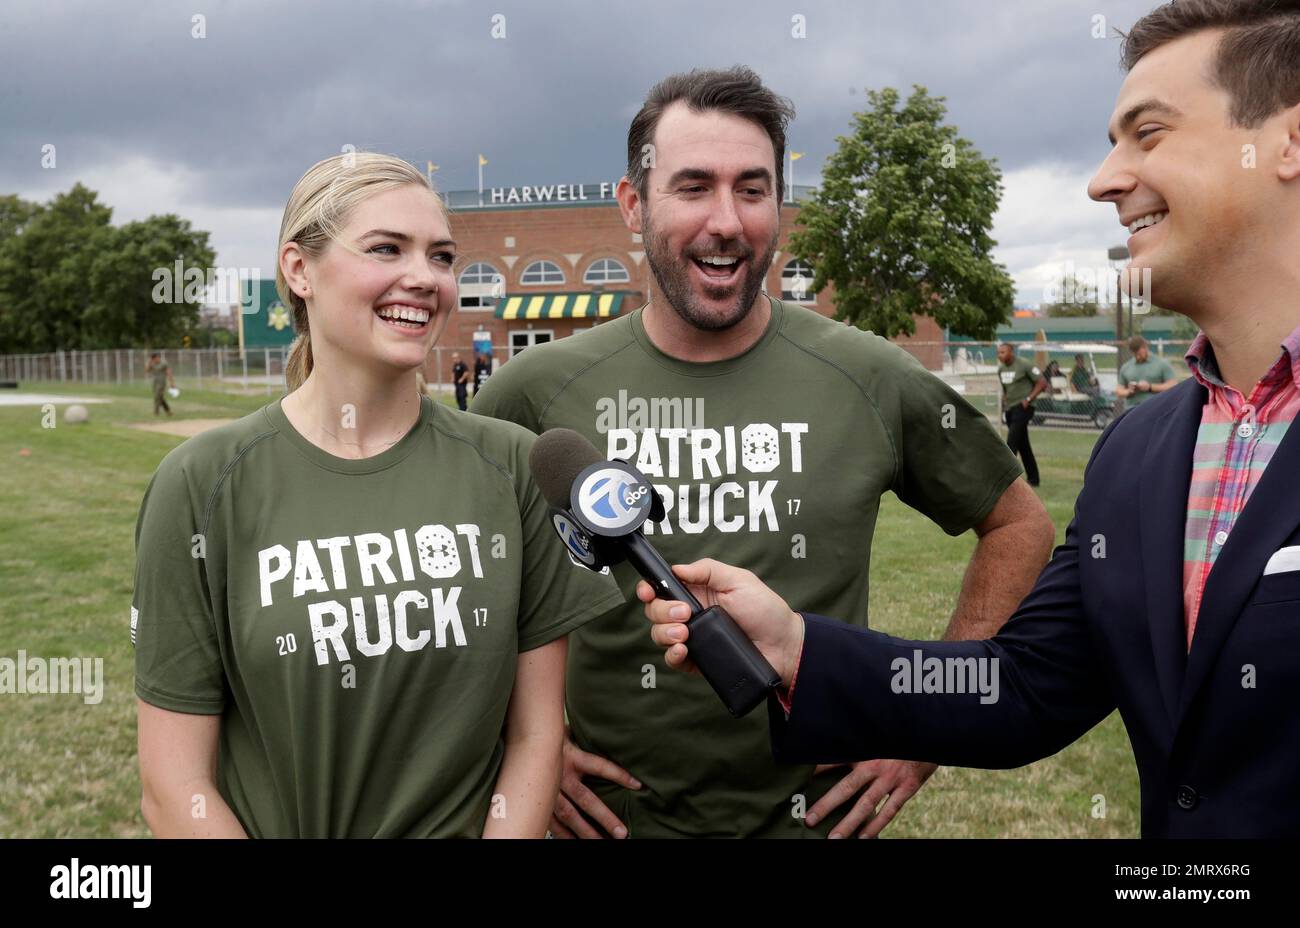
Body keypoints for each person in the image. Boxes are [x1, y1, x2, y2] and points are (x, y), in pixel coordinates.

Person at [642, 0, 1300, 838]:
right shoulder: (1140, 451)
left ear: (1289, 143)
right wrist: (798, 648)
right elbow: (1021, 690)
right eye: (1109, 142)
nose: (1104, 179)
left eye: (1150, 133)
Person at [474, 66, 1055, 839]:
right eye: (693, 187)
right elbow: (458, 580)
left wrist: (927, 725)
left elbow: (1020, 527)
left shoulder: (871, 375)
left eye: (753, 189)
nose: (727, 220)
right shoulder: (532, 392)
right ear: (632, 204)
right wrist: (522, 749)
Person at [131, 153, 623, 838]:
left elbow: (535, 738)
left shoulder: (513, 467)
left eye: (442, 257)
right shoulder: (200, 484)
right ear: (299, 270)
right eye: (386, 249)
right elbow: (173, 785)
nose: (423, 278)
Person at [996, 343, 1049, 487]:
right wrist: (1005, 405)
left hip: (1024, 407)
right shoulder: (1001, 370)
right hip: (1010, 409)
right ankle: (1034, 479)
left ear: (1011, 352)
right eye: (998, 353)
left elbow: (1042, 382)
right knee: (1023, 445)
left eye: (1003, 352)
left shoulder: (1024, 364)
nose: (1000, 355)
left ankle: (1005, 481)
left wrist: (1028, 399)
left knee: (1011, 442)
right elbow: (1006, 390)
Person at [1117, 335, 1177, 406]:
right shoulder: (1126, 367)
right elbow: (1119, 391)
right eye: (1135, 354)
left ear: (1145, 347)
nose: (1138, 356)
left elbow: (1173, 386)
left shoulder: (1162, 364)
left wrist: (1150, 387)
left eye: (1139, 353)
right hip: (1131, 411)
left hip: (1156, 409)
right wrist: (1129, 391)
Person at [145, 352, 175, 417]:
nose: (155, 360)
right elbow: (147, 371)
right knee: (160, 397)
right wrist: (149, 363)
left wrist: (172, 383)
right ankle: (168, 410)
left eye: (156, 358)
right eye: (153, 359)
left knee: (157, 396)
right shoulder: (152, 364)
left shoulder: (164, 363)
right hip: (155, 382)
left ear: (158, 358)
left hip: (162, 382)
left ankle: (156, 412)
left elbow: (169, 373)